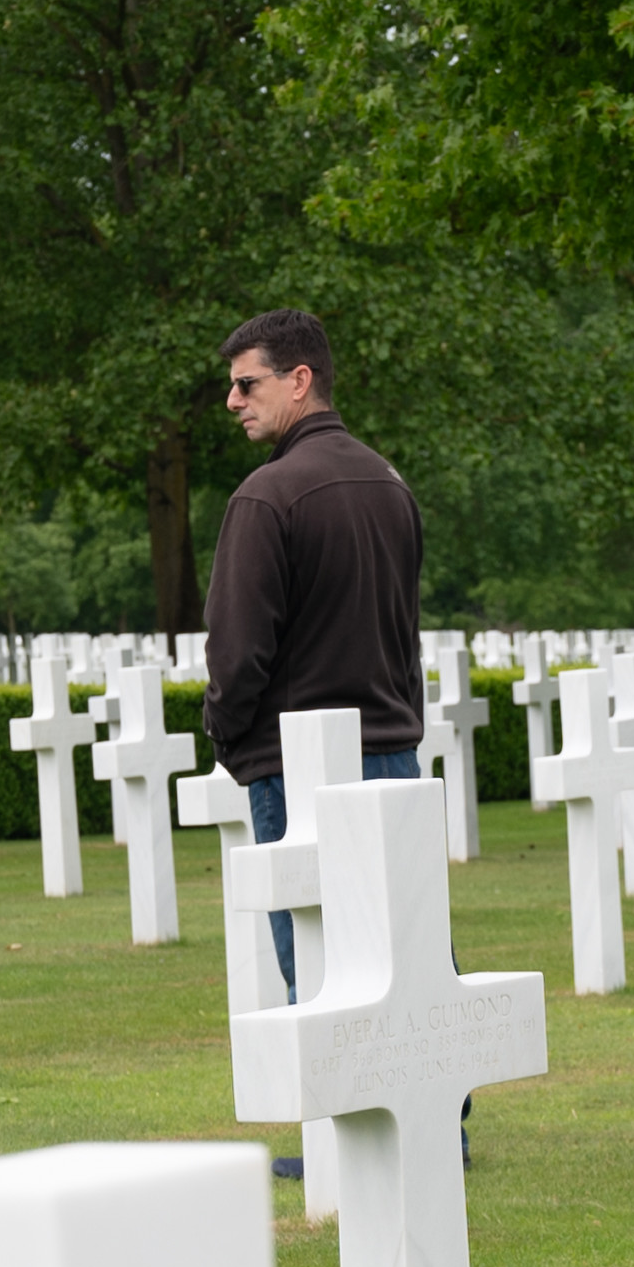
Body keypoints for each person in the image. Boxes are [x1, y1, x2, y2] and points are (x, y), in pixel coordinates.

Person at [204, 310, 426, 1010]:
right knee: (411, 974)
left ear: (300, 381)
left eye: (246, 384)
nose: (232, 401)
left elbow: (237, 654)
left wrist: (232, 740)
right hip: (395, 760)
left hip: (299, 772)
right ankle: (438, 1127)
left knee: (323, 983)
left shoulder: (266, 496)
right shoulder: (391, 484)